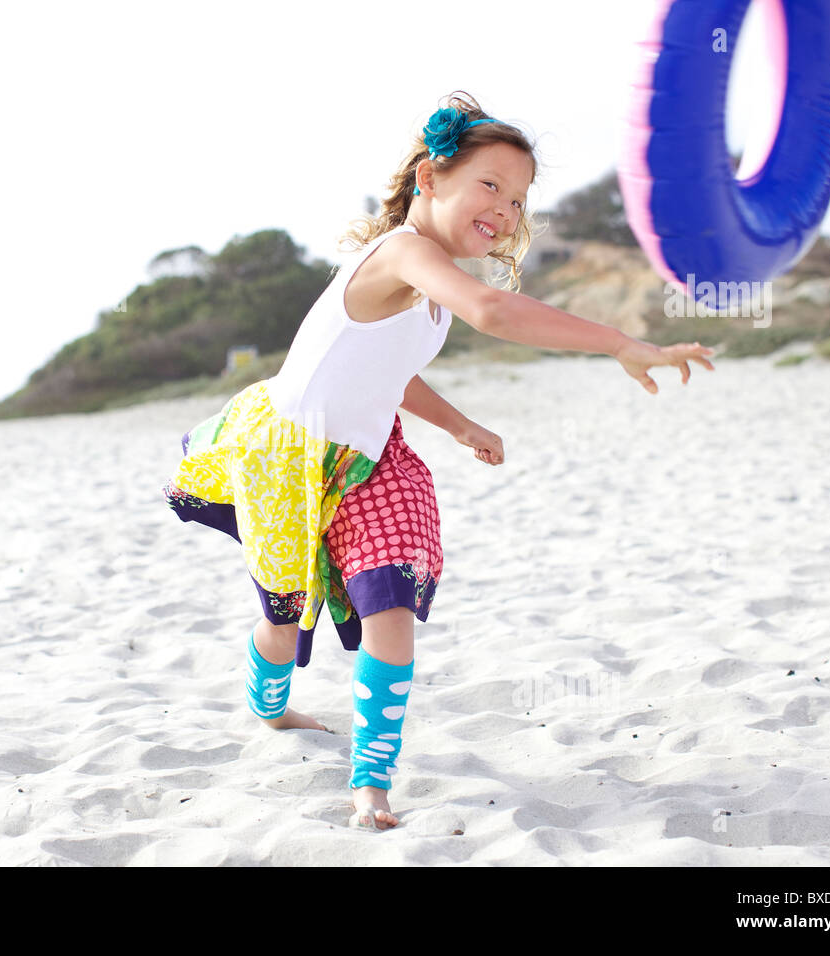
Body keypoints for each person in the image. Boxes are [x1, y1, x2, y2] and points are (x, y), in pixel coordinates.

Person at [161, 91, 715, 830]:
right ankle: (271, 706)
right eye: (491, 185)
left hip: (367, 460)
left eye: (518, 200)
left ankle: (371, 784)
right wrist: (618, 340)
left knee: (390, 601)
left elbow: (394, 372)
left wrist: (458, 424)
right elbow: (496, 312)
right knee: (284, 621)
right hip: (285, 456)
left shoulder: (432, 287)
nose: (506, 210)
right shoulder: (400, 253)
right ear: (431, 177)